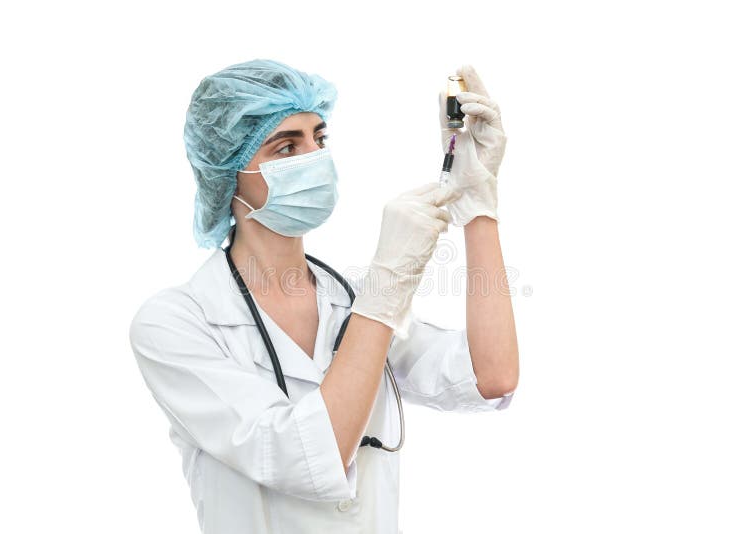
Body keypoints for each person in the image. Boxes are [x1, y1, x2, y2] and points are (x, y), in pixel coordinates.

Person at [129, 58, 519, 534]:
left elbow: (492, 376)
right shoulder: (175, 324)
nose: (314, 157)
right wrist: (385, 286)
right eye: (286, 147)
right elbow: (310, 455)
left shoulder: (348, 306)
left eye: (319, 138)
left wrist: (477, 203)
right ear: (228, 169)